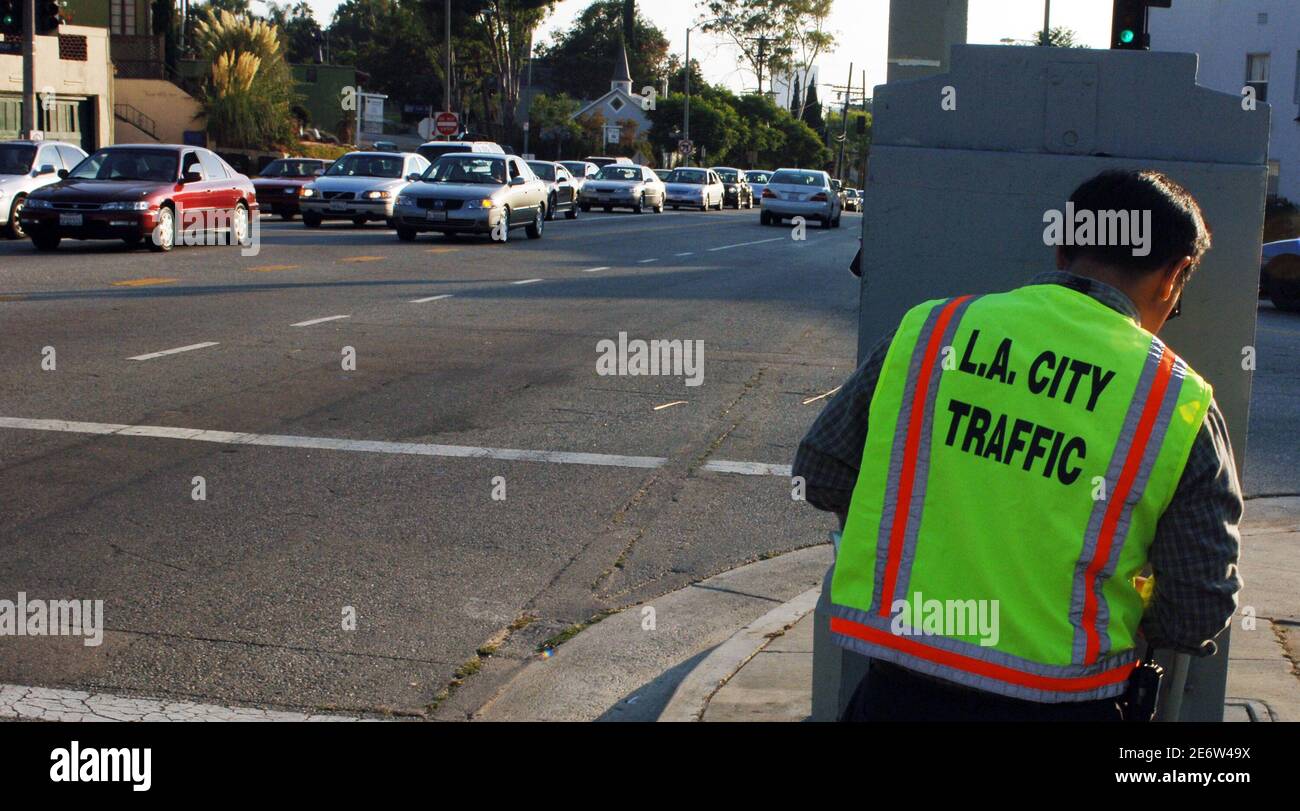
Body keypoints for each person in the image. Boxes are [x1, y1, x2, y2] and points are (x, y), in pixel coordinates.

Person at [793, 170, 1243, 721]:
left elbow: (822, 471)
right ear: (1174, 276)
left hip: (898, 695)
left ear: (1061, 249)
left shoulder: (933, 331)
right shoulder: (1177, 401)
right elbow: (1199, 606)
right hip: (1069, 706)